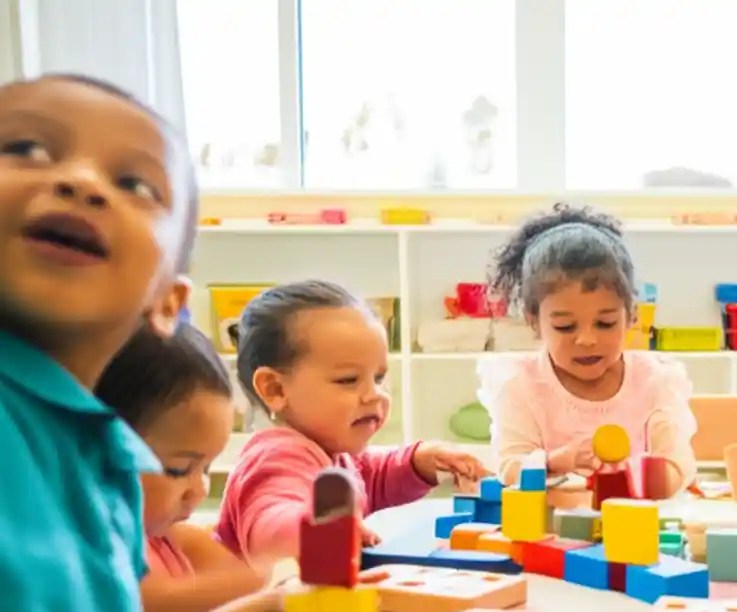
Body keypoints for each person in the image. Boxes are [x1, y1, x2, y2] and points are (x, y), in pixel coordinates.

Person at [0, 73, 284, 612]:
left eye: (135, 184)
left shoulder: (113, 462)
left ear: (168, 301)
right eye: (25, 149)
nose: (81, 181)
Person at [216, 279, 489, 559]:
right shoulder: (276, 459)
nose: (374, 395)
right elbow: (270, 525)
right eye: (348, 380)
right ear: (276, 389)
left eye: (378, 378)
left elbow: (372, 475)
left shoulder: (332, 453)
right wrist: (322, 528)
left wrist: (419, 462)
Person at [477, 203, 697, 505]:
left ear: (631, 316)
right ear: (534, 321)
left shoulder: (655, 381)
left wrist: (646, 478)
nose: (587, 340)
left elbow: (678, 465)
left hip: (635, 524)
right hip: (553, 526)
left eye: (606, 323)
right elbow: (510, 468)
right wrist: (554, 462)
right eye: (565, 327)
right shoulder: (520, 384)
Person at [97, 323, 285, 612]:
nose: (199, 491)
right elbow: (152, 606)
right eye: (179, 469)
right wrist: (271, 580)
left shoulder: (166, 536)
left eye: (206, 469)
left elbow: (240, 561)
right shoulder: (100, 544)